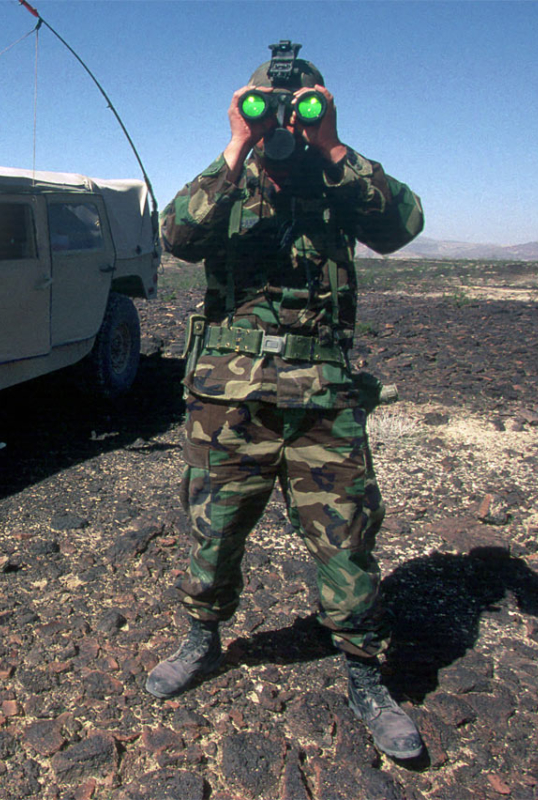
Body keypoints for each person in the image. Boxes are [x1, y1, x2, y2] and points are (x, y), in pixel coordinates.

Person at [146, 42, 425, 761]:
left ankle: (366, 673)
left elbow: (403, 226)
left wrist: (331, 144)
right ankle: (202, 640)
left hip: (322, 400)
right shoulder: (230, 182)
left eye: (297, 110)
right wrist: (235, 146)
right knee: (215, 527)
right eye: (266, 108)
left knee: (347, 539)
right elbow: (175, 236)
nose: (282, 121)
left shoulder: (338, 184)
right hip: (228, 399)